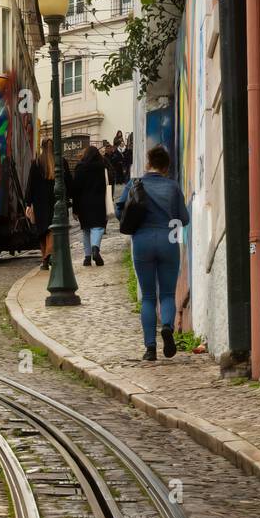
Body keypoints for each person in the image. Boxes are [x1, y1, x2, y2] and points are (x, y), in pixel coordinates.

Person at [115, 144, 190, 362]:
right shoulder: (173, 187)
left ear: (148, 163)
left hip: (142, 240)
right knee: (167, 294)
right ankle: (166, 326)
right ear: (166, 167)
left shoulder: (135, 184)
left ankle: (150, 349)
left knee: (148, 297)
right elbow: (184, 219)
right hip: (168, 240)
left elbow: (120, 210)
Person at [25, 137, 73, 270]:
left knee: (42, 230)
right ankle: (49, 254)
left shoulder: (36, 163)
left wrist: (28, 203)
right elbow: (68, 181)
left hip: (39, 202)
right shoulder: (61, 161)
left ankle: (45, 258)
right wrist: (70, 196)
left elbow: (31, 184)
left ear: (41, 147)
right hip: (55, 200)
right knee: (52, 228)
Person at [72, 144, 111, 266]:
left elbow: (75, 190)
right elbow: (109, 184)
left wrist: (75, 208)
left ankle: (87, 257)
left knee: (86, 230)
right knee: (98, 227)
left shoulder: (79, 168)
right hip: (98, 203)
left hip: (83, 204)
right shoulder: (102, 167)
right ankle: (95, 248)